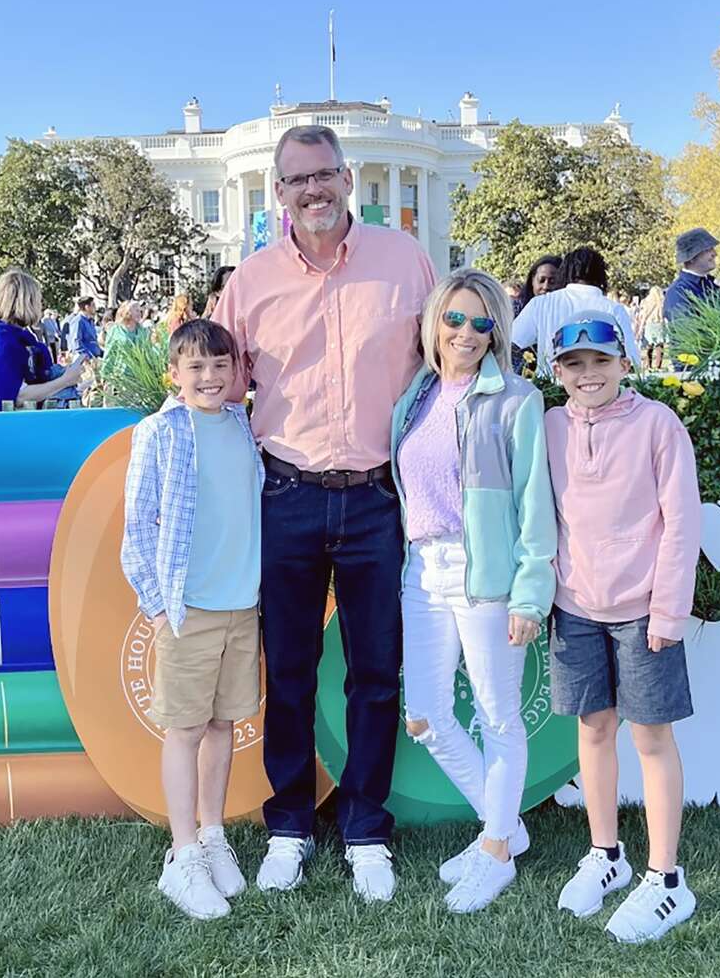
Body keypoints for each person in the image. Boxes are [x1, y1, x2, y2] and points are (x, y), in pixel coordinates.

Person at [212, 124, 435, 901]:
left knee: (376, 671)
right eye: (297, 180)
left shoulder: (404, 261)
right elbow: (219, 387)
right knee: (292, 673)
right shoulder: (250, 281)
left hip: (378, 496)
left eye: (325, 176)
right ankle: (289, 826)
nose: (313, 190)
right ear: (278, 192)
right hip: (288, 496)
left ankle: (367, 828)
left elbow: (445, 365)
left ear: (349, 179)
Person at [391, 270, 557, 913]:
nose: (466, 333)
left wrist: (529, 592)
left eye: (481, 322)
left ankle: (494, 851)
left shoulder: (516, 400)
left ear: (497, 332)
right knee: (426, 715)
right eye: (455, 319)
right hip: (421, 571)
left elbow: (534, 503)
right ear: (436, 322)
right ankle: (505, 826)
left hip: (485, 573)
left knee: (497, 716)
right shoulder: (418, 395)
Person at [545, 310, 700, 944]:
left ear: (625, 364)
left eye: (601, 362)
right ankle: (606, 855)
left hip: (643, 610)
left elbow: (682, 522)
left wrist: (669, 609)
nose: (588, 375)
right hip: (575, 604)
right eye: (574, 364)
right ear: (557, 373)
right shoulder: (550, 426)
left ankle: (667, 878)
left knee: (652, 737)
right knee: (594, 727)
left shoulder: (659, 425)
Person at [121, 319, 263, 921]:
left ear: (235, 372)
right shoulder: (160, 433)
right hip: (189, 609)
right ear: (174, 374)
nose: (209, 377)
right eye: (195, 368)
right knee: (184, 728)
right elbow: (136, 530)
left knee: (222, 725)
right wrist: (157, 609)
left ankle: (211, 835)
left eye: (219, 366)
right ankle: (181, 856)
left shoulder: (242, 425)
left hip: (242, 605)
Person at [512, 247, 641, 377]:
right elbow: (632, 362)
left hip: (551, 389)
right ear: (601, 274)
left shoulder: (541, 303)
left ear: (565, 272)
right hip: (598, 389)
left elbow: (513, 340)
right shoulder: (614, 309)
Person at [0, 270, 85, 410]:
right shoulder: (1, 339)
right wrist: (65, 380)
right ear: (25, 302)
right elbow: (18, 396)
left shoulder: (18, 337)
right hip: (13, 425)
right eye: (37, 300)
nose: (39, 305)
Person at [662, 229, 720, 324]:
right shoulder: (678, 293)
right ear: (692, 257)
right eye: (707, 250)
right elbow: (686, 333)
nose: (714, 253)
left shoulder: (714, 289)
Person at [511, 256, 563, 373]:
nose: (546, 287)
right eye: (541, 280)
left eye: (552, 281)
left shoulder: (563, 312)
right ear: (532, 281)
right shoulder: (515, 309)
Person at [102, 300, 147, 395]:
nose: (139, 313)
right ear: (127, 312)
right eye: (136, 310)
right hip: (120, 376)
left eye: (140, 310)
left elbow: (148, 353)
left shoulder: (143, 331)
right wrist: (105, 375)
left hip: (138, 377)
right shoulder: (116, 330)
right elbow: (110, 353)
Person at [636, 287, 666, 371]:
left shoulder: (647, 301)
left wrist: (640, 328)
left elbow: (644, 315)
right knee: (659, 346)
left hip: (649, 324)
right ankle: (658, 365)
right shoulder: (662, 302)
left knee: (649, 345)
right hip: (659, 324)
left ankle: (648, 365)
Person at [65, 297, 103, 363]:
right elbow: (76, 343)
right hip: (84, 360)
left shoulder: (90, 321)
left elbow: (93, 341)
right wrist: (88, 357)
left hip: (95, 358)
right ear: (86, 307)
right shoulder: (78, 321)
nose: (95, 308)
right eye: (93, 305)